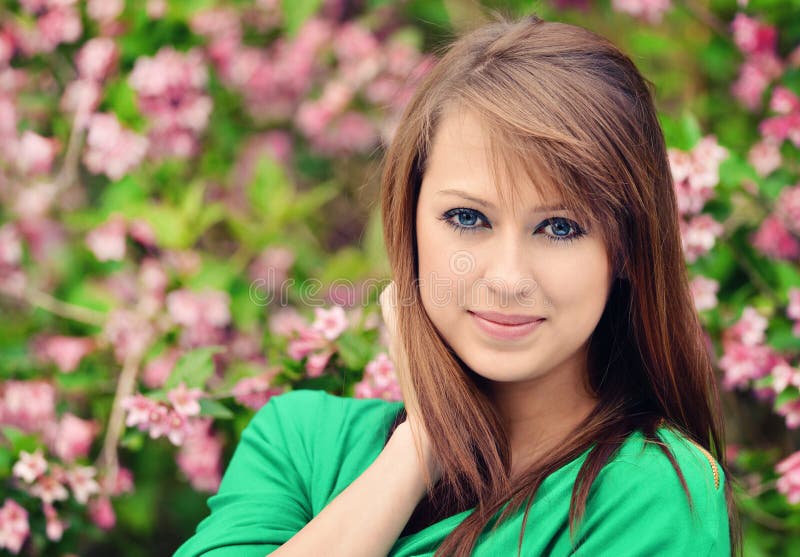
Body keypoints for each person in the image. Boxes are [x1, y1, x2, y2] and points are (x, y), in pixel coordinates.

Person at [174, 12, 742, 557]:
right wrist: (419, 448)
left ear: (626, 249)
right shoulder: (300, 442)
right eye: (468, 218)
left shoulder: (654, 493)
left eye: (561, 227)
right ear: (409, 219)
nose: (508, 279)